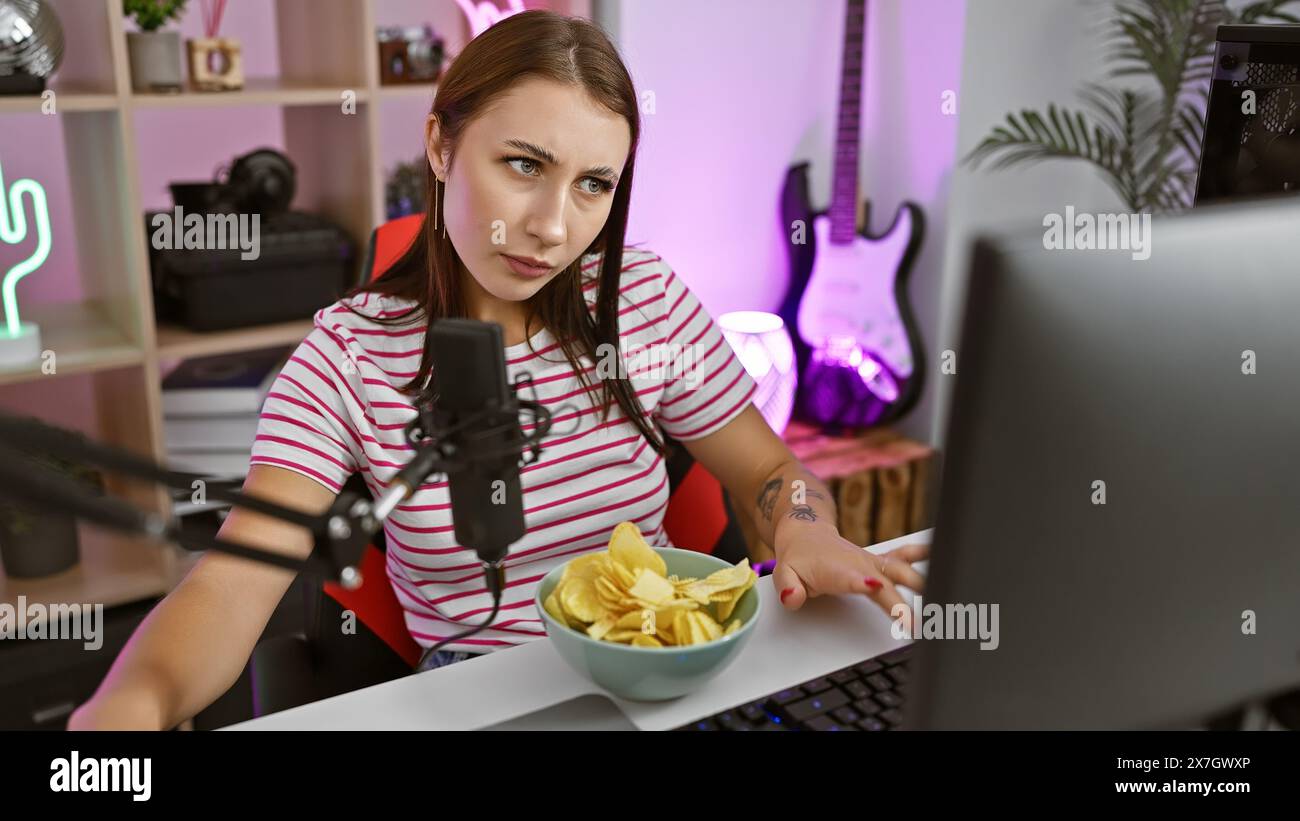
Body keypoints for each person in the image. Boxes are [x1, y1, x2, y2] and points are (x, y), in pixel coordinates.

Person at [68, 10, 927, 731]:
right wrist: (128, 710)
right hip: (489, 698)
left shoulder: (644, 300)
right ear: (441, 144)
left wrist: (806, 525)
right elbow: (232, 577)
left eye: (594, 184)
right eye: (524, 165)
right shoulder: (349, 357)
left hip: (671, 670)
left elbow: (773, 472)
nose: (554, 225)